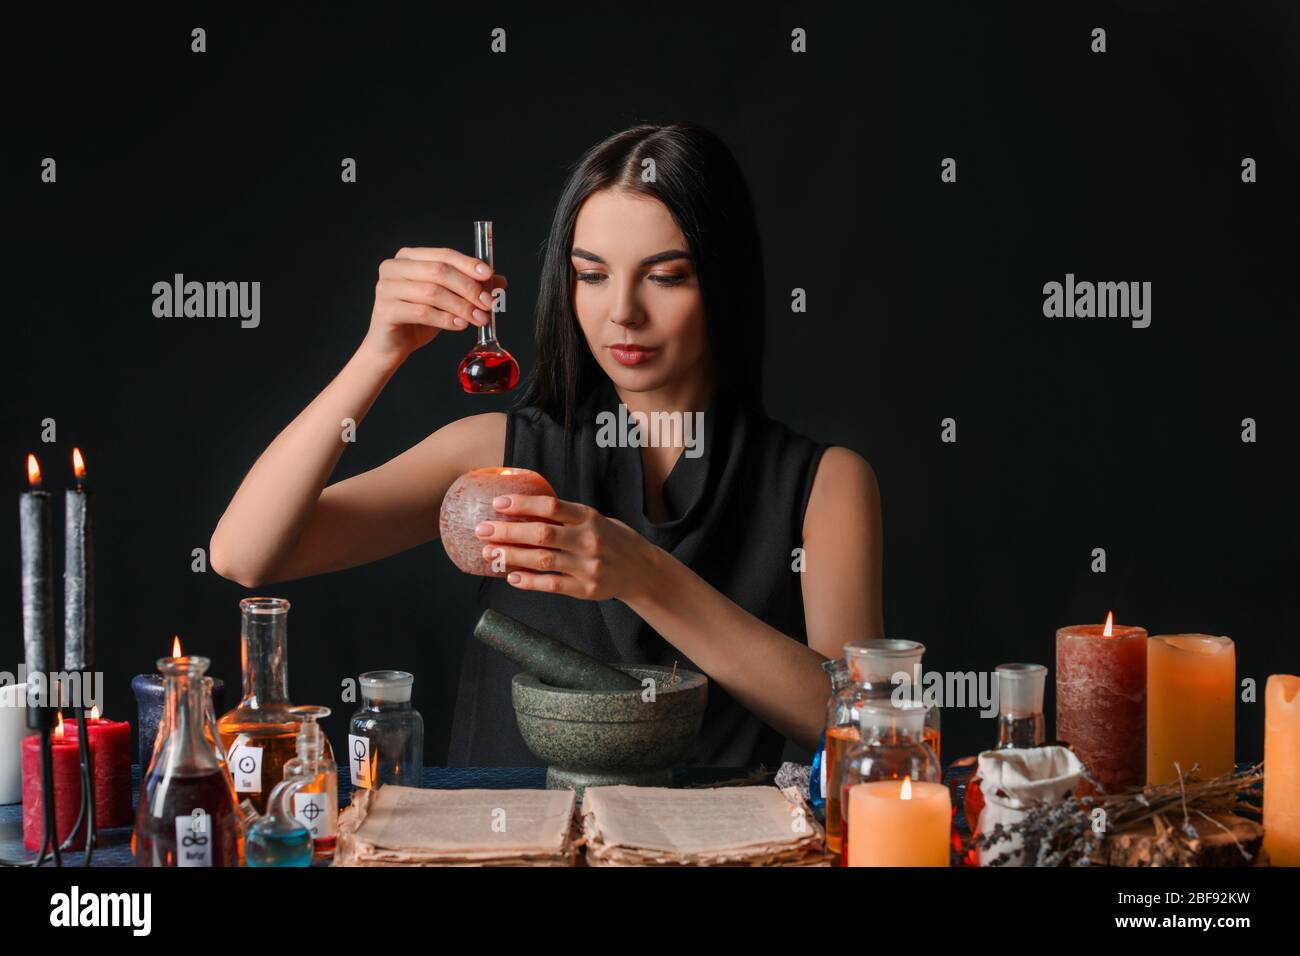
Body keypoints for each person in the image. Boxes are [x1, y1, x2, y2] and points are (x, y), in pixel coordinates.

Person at [210, 122, 883, 768]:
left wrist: (644, 575)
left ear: (725, 282)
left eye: (666, 275)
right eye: (592, 275)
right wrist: (377, 353)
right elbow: (246, 554)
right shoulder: (497, 454)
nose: (622, 310)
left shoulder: (821, 483)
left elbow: (861, 725)